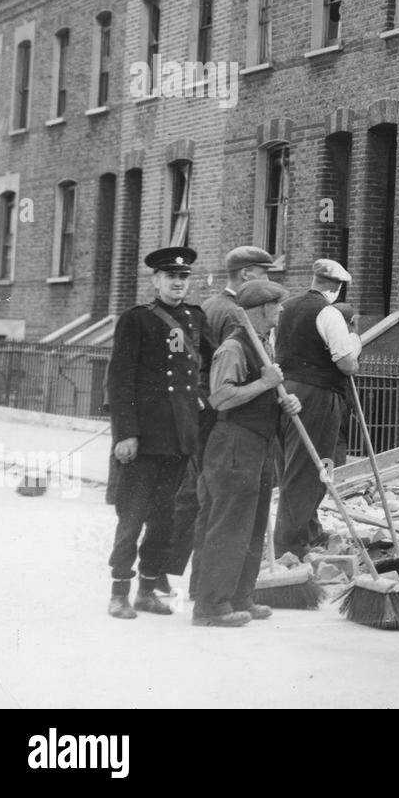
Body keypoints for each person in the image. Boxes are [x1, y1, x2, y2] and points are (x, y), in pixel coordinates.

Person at [105, 247, 209, 619]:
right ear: (156, 281)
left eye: (183, 278)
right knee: (132, 517)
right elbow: (119, 381)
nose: (178, 283)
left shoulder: (195, 318)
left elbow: (208, 366)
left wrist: (201, 402)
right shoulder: (137, 320)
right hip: (144, 438)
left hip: (179, 438)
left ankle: (147, 590)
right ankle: (119, 591)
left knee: (164, 519)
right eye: (170, 277)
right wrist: (126, 434)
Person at [190, 279, 301, 627]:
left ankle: (240, 596)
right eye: (278, 305)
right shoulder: (234, 348)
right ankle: (210, 605)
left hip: (259, 443)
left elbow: (261, 390)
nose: (281, 311)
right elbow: (220, 397)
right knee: (228, 524)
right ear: (264, 308)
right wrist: (264, 385)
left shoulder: (263, 343)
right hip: (234, 443)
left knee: (253, 524)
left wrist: (284, 401)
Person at [164, 245, 276, 588]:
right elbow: (226, 369)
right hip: (221, 416)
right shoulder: (236, 314)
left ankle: (166, 572)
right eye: (264, 274)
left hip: (197, 410)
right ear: (246, 275)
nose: (268, 281)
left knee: (195, 496)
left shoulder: (209, 305)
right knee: (213, 502)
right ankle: (205, 584)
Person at [273, 259, 361, 559]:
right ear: (337, 287)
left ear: (315, 279)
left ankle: (307, 530)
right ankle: (291, 543)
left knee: (291, 464)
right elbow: (346, 364)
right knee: (312, 467)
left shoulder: (284, 308)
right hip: (318, 395)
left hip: (285, 390)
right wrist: (355, 344)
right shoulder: (329, 312)